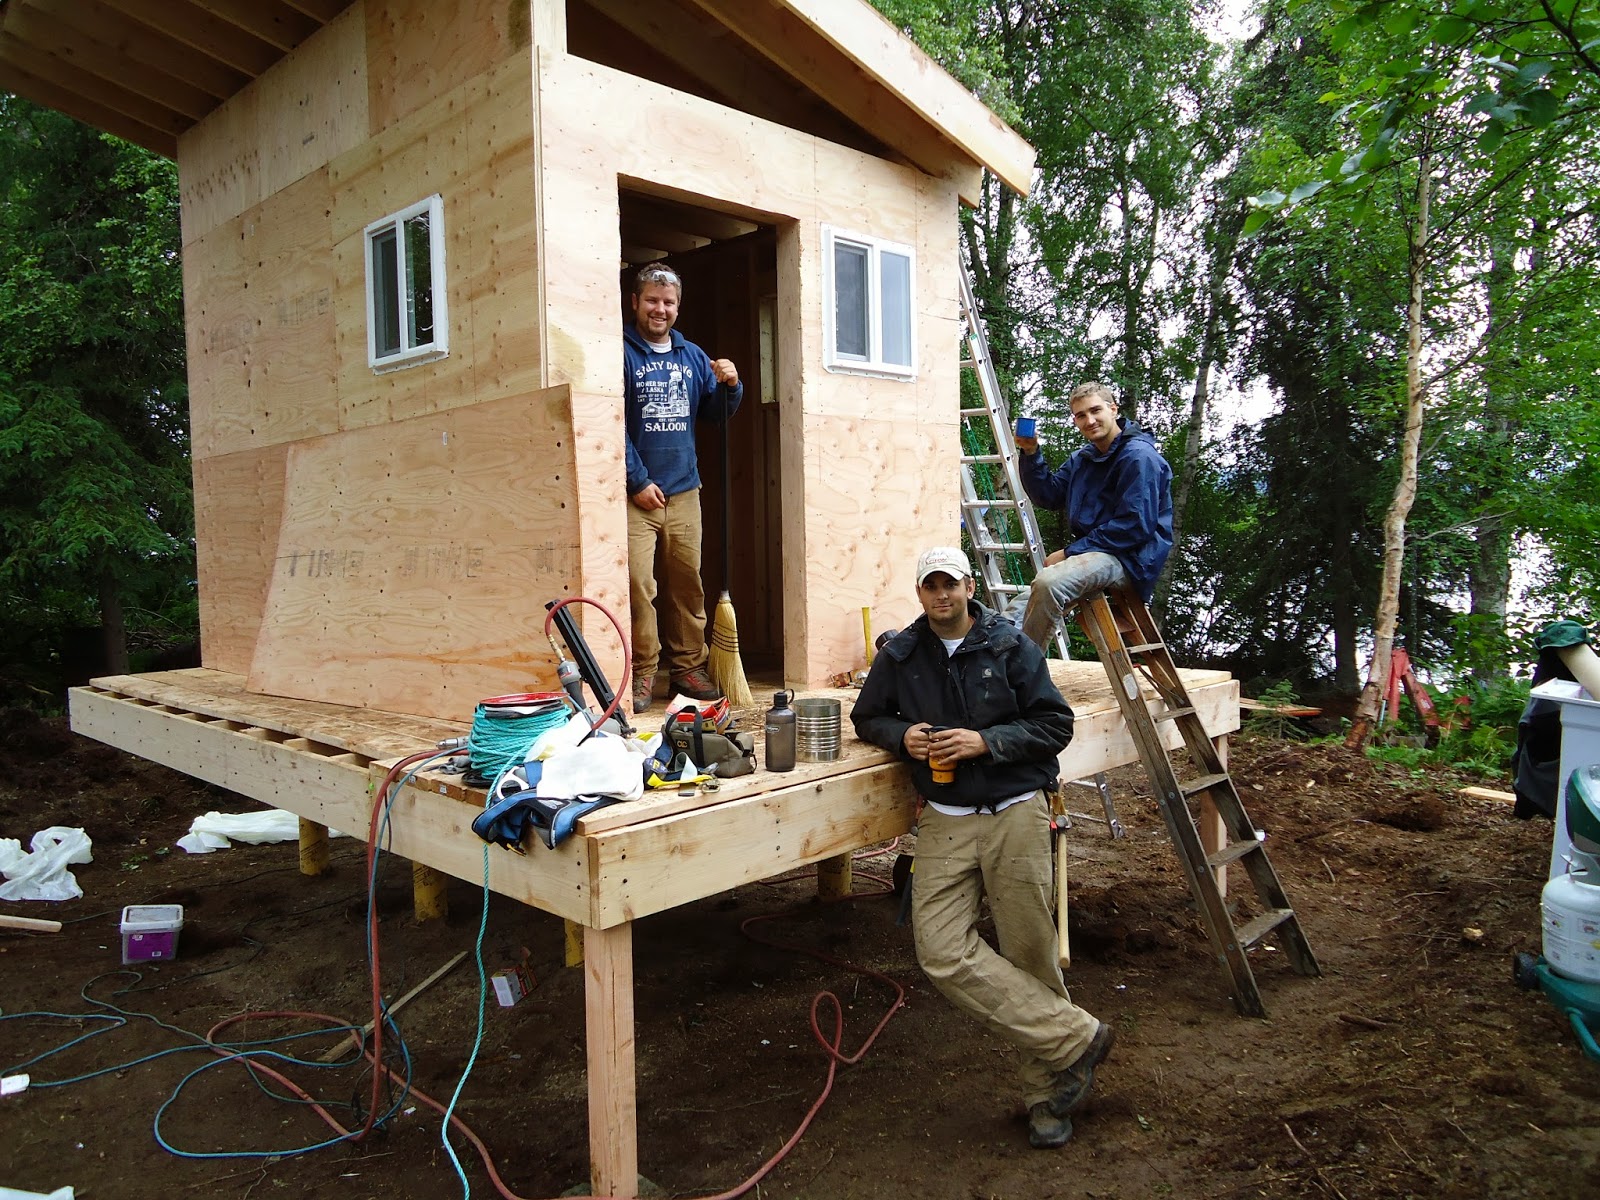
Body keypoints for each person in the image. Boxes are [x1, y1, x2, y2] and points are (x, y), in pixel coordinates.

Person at [851, 546, 1116, 1149]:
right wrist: (904, 735)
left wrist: (985, 743)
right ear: (920, 592)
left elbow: (1055, 724)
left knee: (1029, 951)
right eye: (931, 586)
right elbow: (869, 718)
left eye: (951, 584)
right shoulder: (901, 653)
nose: (941, 595)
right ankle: (1077, 1038)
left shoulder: (1008, 645)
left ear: (970, 587)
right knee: (941, 950)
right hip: (946, 819)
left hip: (1014, 811)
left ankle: (1046, 1096)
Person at [623, 262, 742, 713]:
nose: (660, 309)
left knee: (687, 585)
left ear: (678, 307)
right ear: (635, 302)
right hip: (637, 496)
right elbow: (611, 422)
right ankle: (642, 671)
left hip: (685, 492)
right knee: (639, 585)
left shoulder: (691, 356)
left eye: (668, 302)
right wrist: (637, 481)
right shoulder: (621, 352)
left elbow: (715, 412)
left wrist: (731, 384)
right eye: (652, 300)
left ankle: (689, 668)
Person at [1015, 381, 1173, 651]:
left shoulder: (1138, 457)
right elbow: (1048, 495)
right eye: (1081, 415)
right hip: (1096, 552)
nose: (1089, 420)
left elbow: (1134, 526)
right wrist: (1030, 453)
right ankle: (996, 664)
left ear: (1113, 409)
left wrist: (1069, 552)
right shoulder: (1083, 459)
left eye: (1095, 410)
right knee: (1017, 608)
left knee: (1049, 583)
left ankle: (1025, 669)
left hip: (1131, 558)